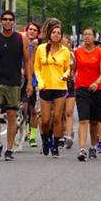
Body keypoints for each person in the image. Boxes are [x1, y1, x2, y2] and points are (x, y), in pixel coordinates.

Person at [0, 10, 32, 161]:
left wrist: (30, 82)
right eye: (4, 19)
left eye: (10, 19)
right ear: (0, 22)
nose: (7, 22)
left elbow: (27, 60)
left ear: (14, 22)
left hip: (14, 81)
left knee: (12, 115)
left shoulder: (21, 39)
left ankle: (9, 148)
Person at [34, 21, 71, 158]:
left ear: (61, 36)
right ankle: (45, 139)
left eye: (58, 33)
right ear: (50, 34)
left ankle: (55, 145)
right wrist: (40, 80)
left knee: (57, 118)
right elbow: (36, 67)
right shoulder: (41, 48)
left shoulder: (65, 51)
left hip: (60, 87)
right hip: (45, 87)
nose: (56, 35)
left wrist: (66, 75)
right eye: (54, 32)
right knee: (45, 120)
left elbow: (68, 68)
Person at [73, 27, 101, 161]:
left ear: (95, 37)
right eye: (85, 34)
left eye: (89, 34)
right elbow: (73, 69)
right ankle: (82, 149)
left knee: (94, 121)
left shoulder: (100, 53)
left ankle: (93, 146)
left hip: (96, 89)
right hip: (81, 88)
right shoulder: (77, 52)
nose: (87, 37)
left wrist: (96, 82)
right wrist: (69, 75)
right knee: (83, 119)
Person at [23, 20, 41, 148]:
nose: (32, 32)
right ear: (26, 30)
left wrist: (34, 48)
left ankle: (33, 135)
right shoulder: (20, 43)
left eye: (35, 30)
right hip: (20, 80)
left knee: (33, 110)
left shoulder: (40, 47)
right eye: (30, 29)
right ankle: (23, 131)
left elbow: (36, 63)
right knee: (23, 109)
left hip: (34, 81)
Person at [60, 34, 77, 150]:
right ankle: (61, 135)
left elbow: (75, 70)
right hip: (59, 85)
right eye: (62, 42)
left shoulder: (72, 56)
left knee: (69, 112)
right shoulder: (56, 55)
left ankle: (69, 134)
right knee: (60, 113)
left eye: (66, 42)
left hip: (70, 85)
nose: (64, 45)